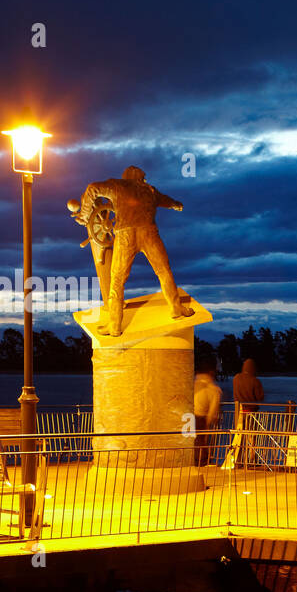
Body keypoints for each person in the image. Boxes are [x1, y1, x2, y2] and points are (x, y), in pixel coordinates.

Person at [69, 165, 193, 337]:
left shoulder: (116, 186)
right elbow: (165, 199)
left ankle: (114, 325)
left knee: (117, 281)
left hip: (124, 236)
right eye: (143, 177)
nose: (145, 180)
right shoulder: (149, 190)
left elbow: (92, 189)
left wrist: (83, 216)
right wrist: (175, 204)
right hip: (149, 233)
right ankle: (176, 308)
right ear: (138, 177)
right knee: (164, 272)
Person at [193, 356, 223, 466]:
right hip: (200, 418)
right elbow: (212, 412)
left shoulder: (192, 383)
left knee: (187, 443)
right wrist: (209, 422)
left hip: (186, 416)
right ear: (212, 371)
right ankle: (201, 463)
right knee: (200, 443)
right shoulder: (213, 389)